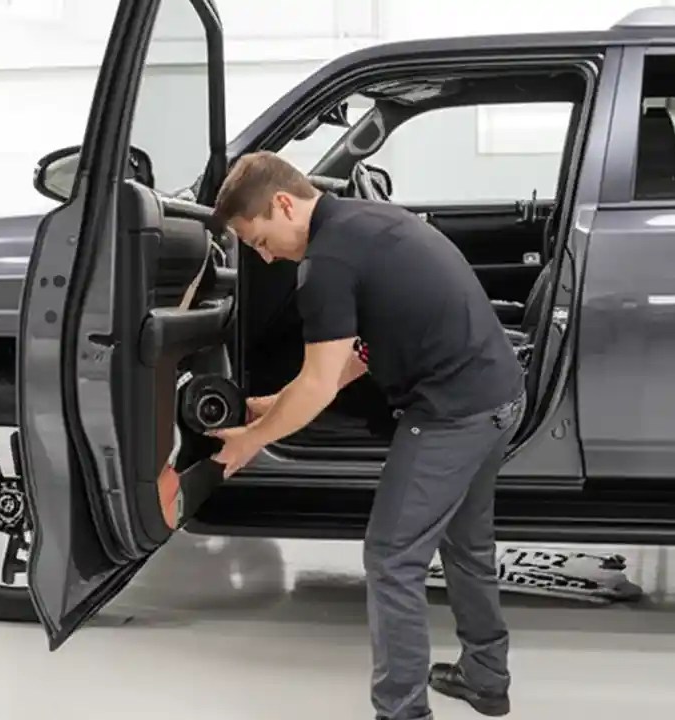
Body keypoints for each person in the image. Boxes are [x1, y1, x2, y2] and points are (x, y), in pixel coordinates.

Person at [207, 150, 526, 720]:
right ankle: (486, 676)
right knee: (465, 543)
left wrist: (253, 438)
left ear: (284, 203)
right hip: (500, 395)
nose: (264, 256)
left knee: (391, 557)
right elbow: (351, 360)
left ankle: (401, 712)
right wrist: (272, 405)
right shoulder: (366, 221)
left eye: (259, 240)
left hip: (453, 410)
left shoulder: (324, 264)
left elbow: (321, 383)